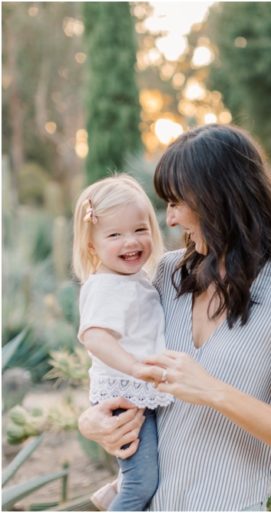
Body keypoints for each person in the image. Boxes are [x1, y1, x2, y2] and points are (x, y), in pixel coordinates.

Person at [78, 124, 271, 511]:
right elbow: (108, 361)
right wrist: (91, 423)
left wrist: (214, 391)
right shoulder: (163, 278)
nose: (168, 221)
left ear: (218, 200)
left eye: (177, 203)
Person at [73, 175, 173, 511]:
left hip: (140, 389)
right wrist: (134, 367)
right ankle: (120, 498)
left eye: (140, 230)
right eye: (115, 235)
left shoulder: (136, 278)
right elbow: (95, 336)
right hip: (125, 394)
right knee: (141, 484)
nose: (131, 242)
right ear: (92, 246)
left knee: (147, 466)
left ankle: (113, 491)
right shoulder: (105, 286)